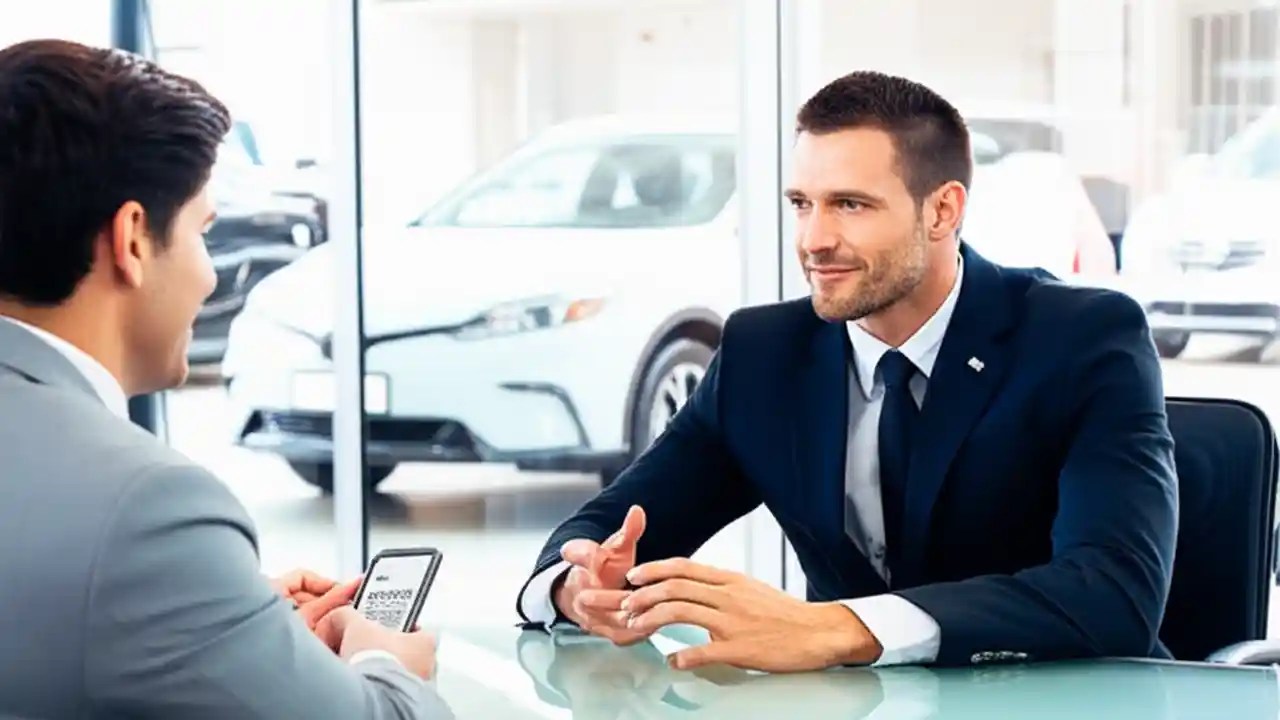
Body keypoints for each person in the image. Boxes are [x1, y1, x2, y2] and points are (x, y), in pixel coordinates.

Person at [517, 70, 1178, 672]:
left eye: (850, 205)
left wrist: (841, 628)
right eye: (802, 203)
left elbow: (1114, 592)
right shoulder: (763, 353)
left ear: (942, 210)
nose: (813, 239)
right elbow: (607, 526)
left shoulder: (1081, 339)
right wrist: (576, 587)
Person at [0, 39, 449, 719]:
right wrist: (386, 661)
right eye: (202, 232)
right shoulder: (145, 508)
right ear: (131, 241)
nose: (209, 276)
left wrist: (226, 627)